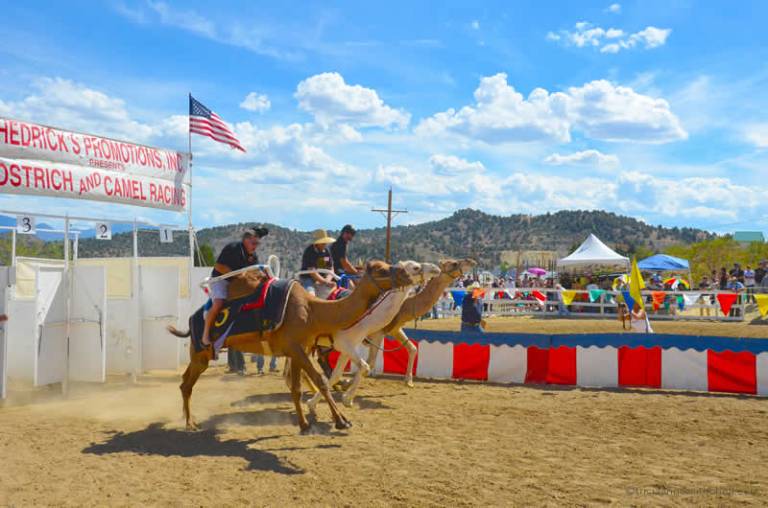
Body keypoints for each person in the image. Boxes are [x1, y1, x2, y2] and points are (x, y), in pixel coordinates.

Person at [203, 227, 269, 346]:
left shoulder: (253, 257)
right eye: (253, 243)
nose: (255, 246)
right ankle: (205, 334)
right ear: (245, 240)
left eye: (257, 243)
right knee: (218, 303)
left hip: (236, 283)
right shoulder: (233, 248)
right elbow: (218, 266)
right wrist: (238, 274)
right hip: (221, 280)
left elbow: (255, 272)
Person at [300, 229, 337, 299]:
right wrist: (325, 282)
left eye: (325, 242)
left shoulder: (326, 252)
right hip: (308, 279)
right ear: (317, 243)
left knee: (333, 293)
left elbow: (331, 268)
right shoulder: (310, 251)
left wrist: (327, 280)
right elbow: (312, 272)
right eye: (323, 243)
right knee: (311, 296)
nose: (325, 244)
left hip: (322, 280)